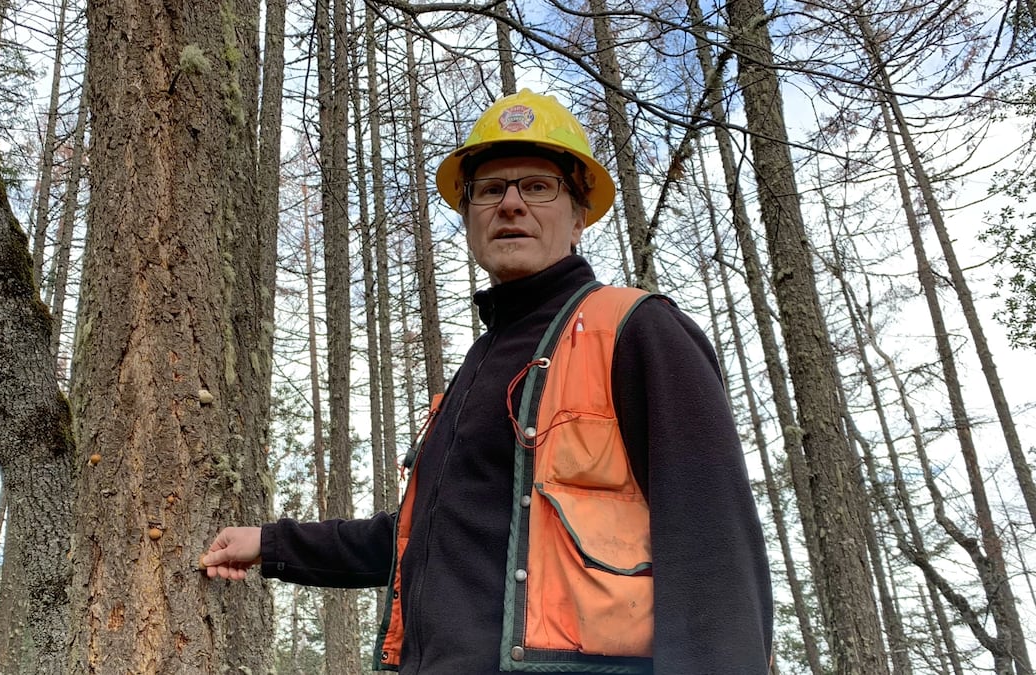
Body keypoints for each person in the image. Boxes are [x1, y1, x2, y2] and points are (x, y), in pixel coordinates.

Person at [202, 89, 773, 674]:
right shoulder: (477, 369)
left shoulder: (635, 331)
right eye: (491, 189)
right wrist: (269, 545)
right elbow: (418, 539)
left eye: (538, 185)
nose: (511, 204)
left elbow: (714, 552)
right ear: (470, 216)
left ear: (579, 217)